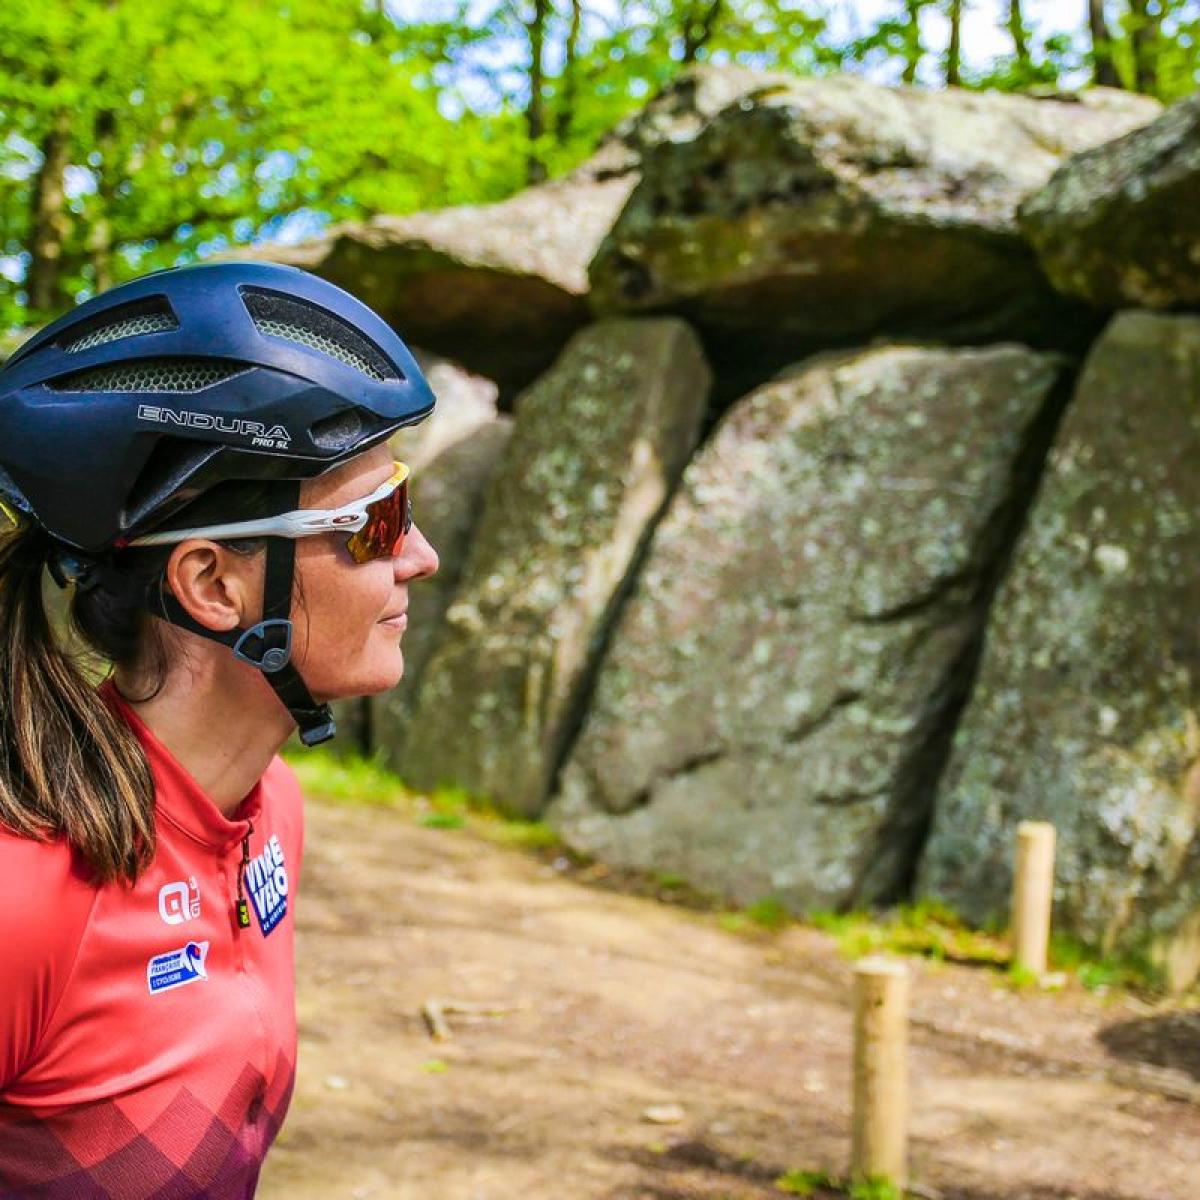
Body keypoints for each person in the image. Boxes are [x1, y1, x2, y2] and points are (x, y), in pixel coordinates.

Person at [0, 262, 439, 1197]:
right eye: (378, 520)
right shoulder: (27, 895)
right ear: (212, 585)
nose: (420, 557)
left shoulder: (266, 807)